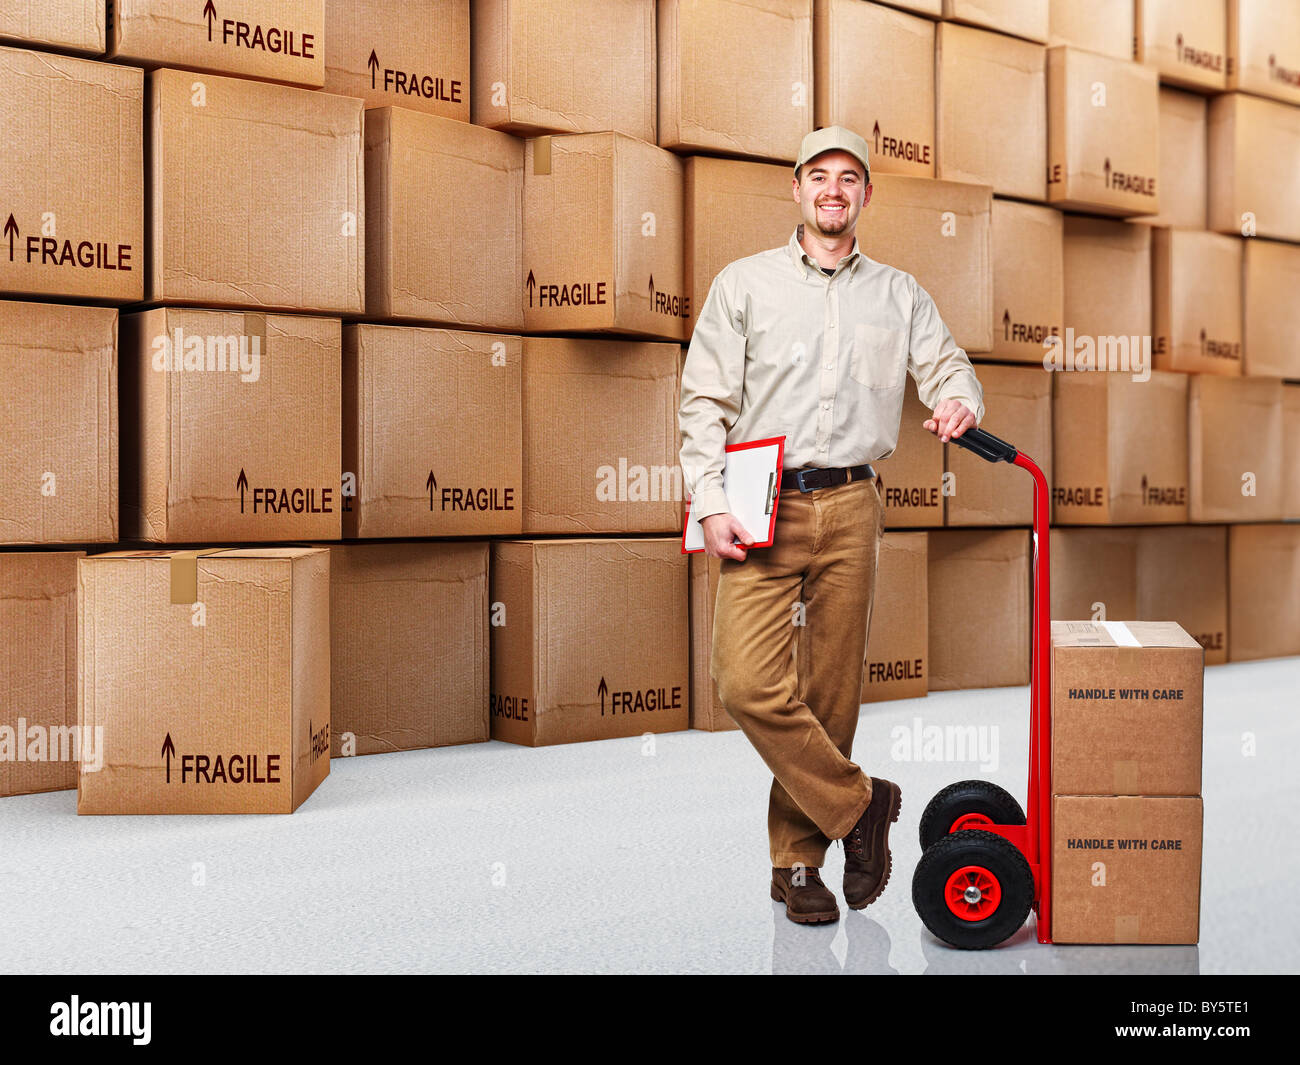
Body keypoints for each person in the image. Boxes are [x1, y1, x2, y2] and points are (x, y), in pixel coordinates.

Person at [678, 125, 986, 925]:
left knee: (830, 691)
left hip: (854, 501)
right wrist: (709, 499)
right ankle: (862, 805)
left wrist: (959, 399)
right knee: (743, 679)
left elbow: (947, 365)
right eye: (820, 176)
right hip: (760, 497)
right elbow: (703, 400)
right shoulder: (742, 285)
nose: (834, 190)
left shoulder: (898, 293)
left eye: (849, 178)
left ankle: (798, 861)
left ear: (866, 196)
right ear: (797, 189)